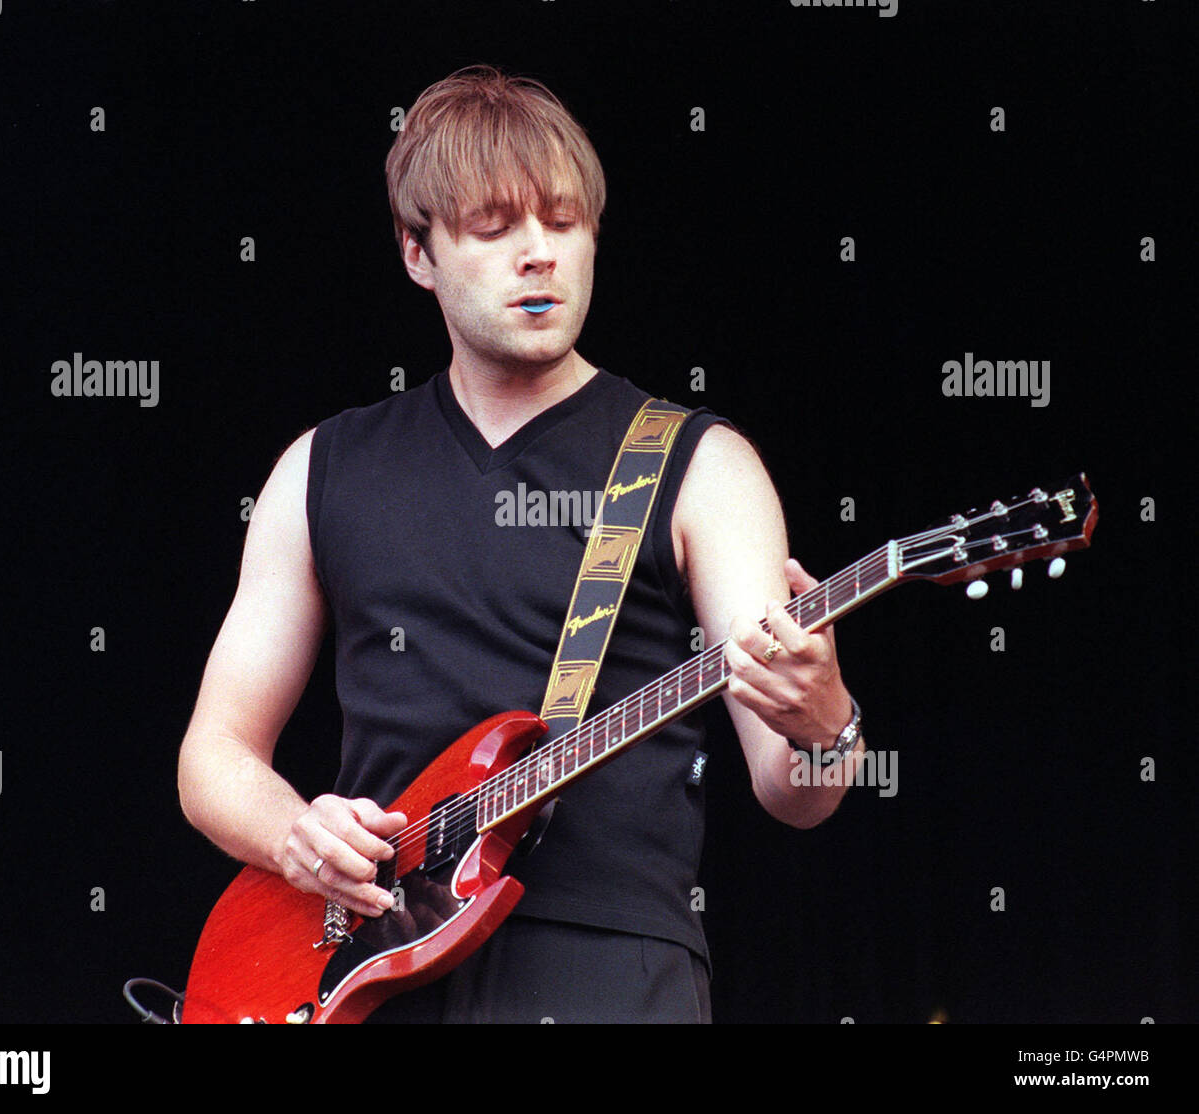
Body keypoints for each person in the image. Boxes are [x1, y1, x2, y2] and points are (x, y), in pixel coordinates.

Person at [177, 65, 865, 1023]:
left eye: (564, 221)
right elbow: (212, 758)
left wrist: (828, 726)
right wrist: (296, 832)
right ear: (418, 252)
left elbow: (799, 794)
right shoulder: (323, 466)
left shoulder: (700, 466)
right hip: (368, 970)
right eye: (494, 227)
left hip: (609, 968)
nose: (538, 255)